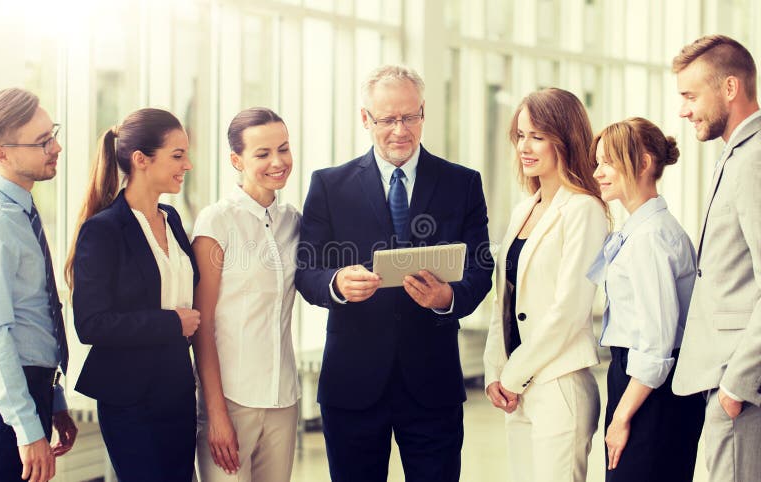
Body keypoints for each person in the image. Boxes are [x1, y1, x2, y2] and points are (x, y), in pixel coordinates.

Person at [295, 65, 493, 481]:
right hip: (353, 384)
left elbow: (480, 265)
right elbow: (307, 269)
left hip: (432, 384)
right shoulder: (330, 186)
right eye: (387, 119)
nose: (400, 130)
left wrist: (449, 299)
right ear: (366, 119)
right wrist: (336, 284)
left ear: (423, 112)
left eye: (410, 116)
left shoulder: (462, 183)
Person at [65, 108, 200, 481]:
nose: (187, 165)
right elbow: (91, 324)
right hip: (131, 398)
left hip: (176, 390)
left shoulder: (172, 219)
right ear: (141, 160)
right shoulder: (103, 230)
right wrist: (172, 321)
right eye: (177, 156)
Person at [482, 88, 608, 482]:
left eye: (537, 136)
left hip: (559, 385)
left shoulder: (585, 209)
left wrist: (512, 374)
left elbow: (569, 312)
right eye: (520, 135)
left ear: (565, 138)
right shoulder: (526, 207)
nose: (525, 146)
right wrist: (493, 370)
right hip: (517, 386)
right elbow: (505, 298)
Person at [0, 88, 77, 482]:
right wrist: (27, 430)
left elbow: (32, 318)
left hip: (27, 391)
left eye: (52, 133)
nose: (56, 146)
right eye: (42, 141)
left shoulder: (19, 208)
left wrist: (53, 399)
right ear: (3, 155)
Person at [587, 118, 705, 481]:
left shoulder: (651, 238)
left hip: (651, 390)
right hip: (642, 382)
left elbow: (656, 346)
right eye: (597, 162)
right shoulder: (642, 229)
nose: (598, 173)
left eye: (608, 162)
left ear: (643, 163)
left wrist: (621, 418)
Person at [191, 107, 300, 482]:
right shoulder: (216, 221)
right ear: (236, 160)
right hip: (232, 401)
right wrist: (216, 412)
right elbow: (201, 326)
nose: (278, 161)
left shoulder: (294, 222)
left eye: (283, 149)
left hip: (284, 399)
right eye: (263, 153)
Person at [671, 34, 761, 482]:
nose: (683, 110)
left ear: (729, 88)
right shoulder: (736, 155)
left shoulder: (754, 160)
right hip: (727, 380)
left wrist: (735, 385)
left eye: (690, 95)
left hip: (741, 385)